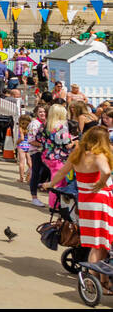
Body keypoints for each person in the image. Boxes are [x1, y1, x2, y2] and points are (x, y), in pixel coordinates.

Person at [47, 124, 113, 289]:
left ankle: (103, 281)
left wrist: (50, 184)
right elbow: (106, 171)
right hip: (100, 200)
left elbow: (61, 172)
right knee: (100, 242)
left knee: (96, 241)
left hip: (85, 200)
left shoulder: (77, 155)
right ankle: (92, 282)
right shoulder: (98, 156)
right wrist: (101, 183)